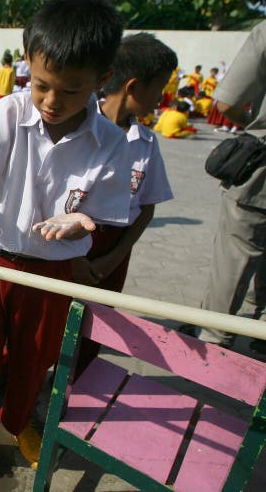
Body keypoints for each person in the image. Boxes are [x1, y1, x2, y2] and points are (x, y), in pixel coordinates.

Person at [0, 0, 129, 490]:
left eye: (70, 90)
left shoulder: (112, 144)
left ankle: (20, 423)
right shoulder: (8, 113)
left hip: (51, 269)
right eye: (41, 85)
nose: (52, 101)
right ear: (27, 65)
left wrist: (81, 223)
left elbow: (102, 214)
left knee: (35, 355)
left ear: (101, 81)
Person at [72, 32, 176, 374]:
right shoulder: (77, 129)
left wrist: (115, 256)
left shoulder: (145, 144)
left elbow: (146, 208)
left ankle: (77, 386)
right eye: (159, 87)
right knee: (47, 316)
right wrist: (73, 258)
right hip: (66, 242)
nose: (161, 99)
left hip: (114, 246)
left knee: (97, 320)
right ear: (133, 87)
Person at [195, 19, 266, 352]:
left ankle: (214, 341)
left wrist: (254, 129)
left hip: (260, 177)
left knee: (235, 258)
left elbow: (226, 104)